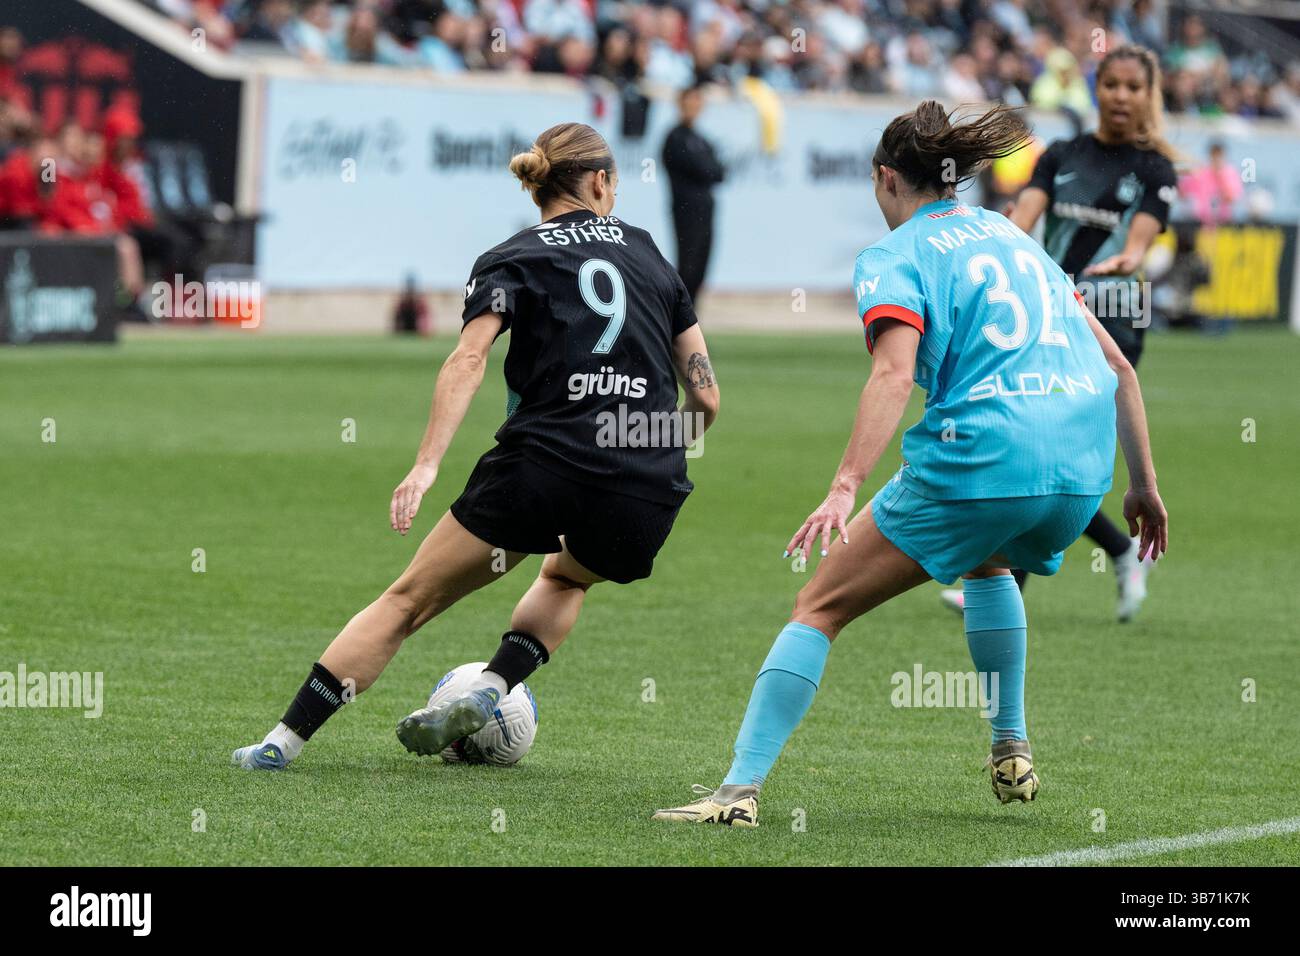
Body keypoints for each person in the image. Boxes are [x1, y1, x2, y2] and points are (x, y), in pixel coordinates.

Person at [653, 100, 1166, 827]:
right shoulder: (1017, 239)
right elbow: (1119, 365)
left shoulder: (894, 256)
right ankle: (1009, 743)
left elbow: (893, 377)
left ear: (885, 178)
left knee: (819, 607)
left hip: (985, 459)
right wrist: (1142, 487)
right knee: (986, 560)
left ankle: (736, 794)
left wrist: (842, 489)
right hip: (1082, 474)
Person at [232, 122, 720, 769]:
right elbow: (707, 398)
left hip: (544, 462)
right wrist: (659, 447)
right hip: (647, 476)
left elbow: (469, 360)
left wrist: (426, 463)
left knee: (407, 602)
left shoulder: (511, 256)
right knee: (569, 576)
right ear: (601, 182)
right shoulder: (652, 254)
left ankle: (280, 743)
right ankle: (493, 684)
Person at [941, 44, 1178, 622]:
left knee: (1044, 442)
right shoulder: (1061, 155)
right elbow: (1023, 220)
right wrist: (989, 243)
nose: (1121, 96)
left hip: (1115, 318)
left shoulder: (1155, 169)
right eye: (1112, 84)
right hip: (1052, 311)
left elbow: (1142, 237)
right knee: (1043, 446)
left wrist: (1132, 256)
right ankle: (1116, 552)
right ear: (1097, 88)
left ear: (1149, 95)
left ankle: (1004, 582)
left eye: (1133, 87)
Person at [661, 85, 725, 305]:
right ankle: (679, 324)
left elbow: (718, 172)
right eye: (689, 102)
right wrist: (707, 169)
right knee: (687, 266)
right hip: (686, 211)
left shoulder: (700, 139)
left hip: (705, 211)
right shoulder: (675, 137)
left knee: (701, 266)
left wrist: (708, 169)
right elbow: (704, 169)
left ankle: (692, 322)